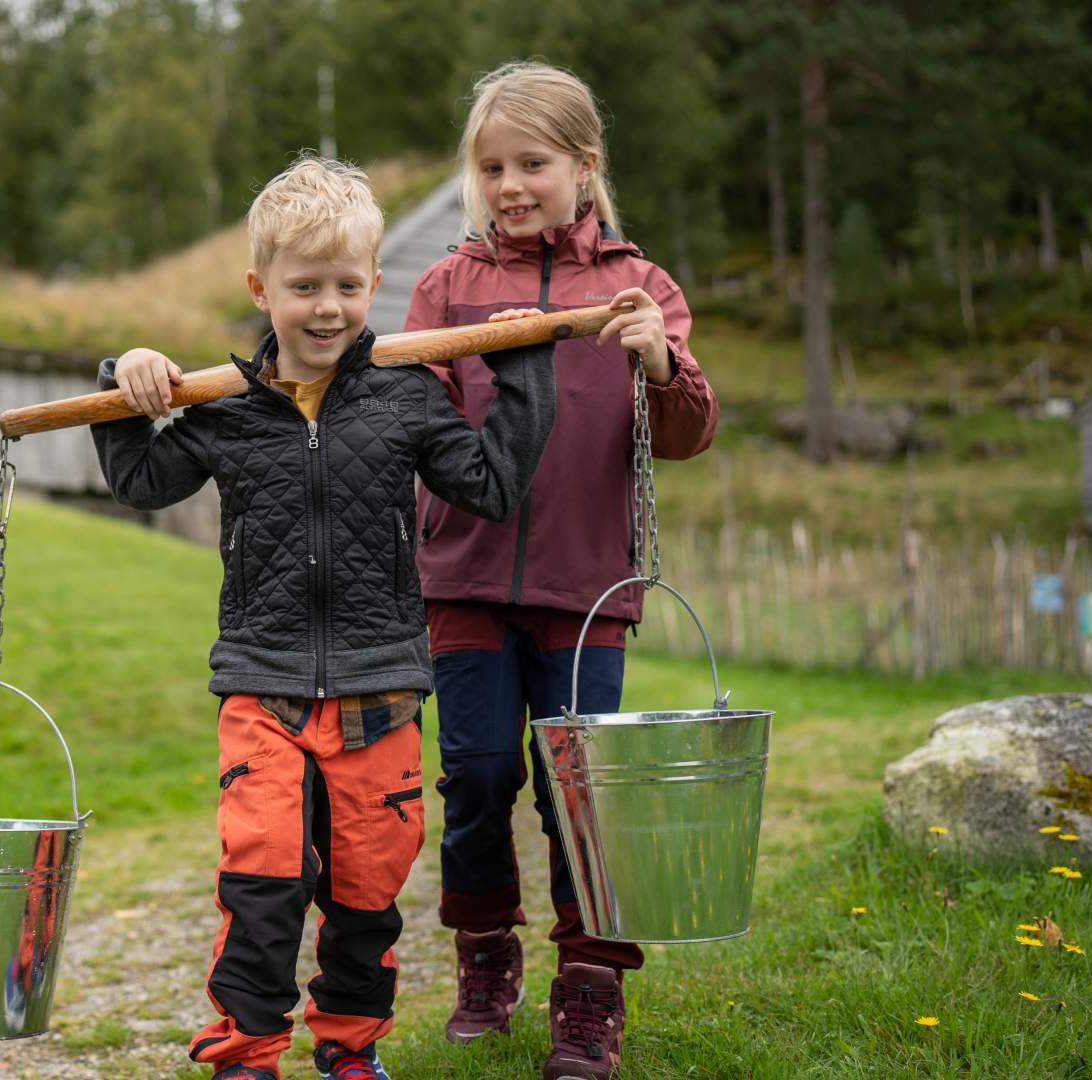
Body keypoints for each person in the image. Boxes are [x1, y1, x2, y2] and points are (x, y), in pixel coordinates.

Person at [95, 156, 557, 1080]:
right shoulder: (224, 410)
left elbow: (493, 488)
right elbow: (142, 480)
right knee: (261, 881)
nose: (328, 309)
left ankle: (350, 1051)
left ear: (374, 284)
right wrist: (126, 383)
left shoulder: (404, 397)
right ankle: (246, 1054)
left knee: (364, 894)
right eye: (303, 287)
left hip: (381, 691)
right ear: (261, 289)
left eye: (348, 286)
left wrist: (522, 373)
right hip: (261, 688)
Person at [405, 62, 719, 1080]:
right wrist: (480, 376)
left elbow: (686, 434)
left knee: (581, 794)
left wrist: (658, 362)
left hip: (588, 591)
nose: (509, 184)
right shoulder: (449, 288)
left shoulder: (638, 286)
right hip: (463, 577)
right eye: (491, 166)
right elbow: (412, 425)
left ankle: (590, 985)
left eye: (531, 162)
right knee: (481, 774)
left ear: (584, 168)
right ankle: (485, 953)